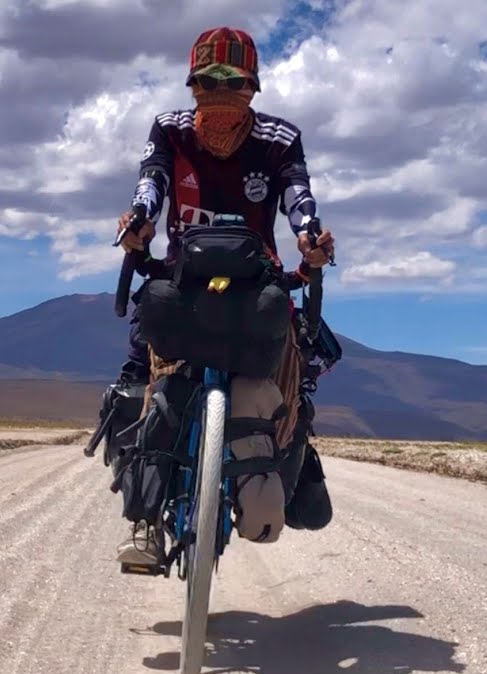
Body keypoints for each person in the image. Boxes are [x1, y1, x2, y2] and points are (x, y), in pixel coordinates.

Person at [109, 26, 336, 568]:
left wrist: (310, 234)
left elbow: (298, 196)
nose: (218, 90)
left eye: (231, 80)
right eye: (207, 79)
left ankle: (275, 477)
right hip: (185, 281)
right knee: (150, 382)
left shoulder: (279, 140)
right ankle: (145, 523)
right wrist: (138, 219)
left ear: (253, 86)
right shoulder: (171, 130)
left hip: (256, 286)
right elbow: (152, 181)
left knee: (288, 384)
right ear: (191, 83)